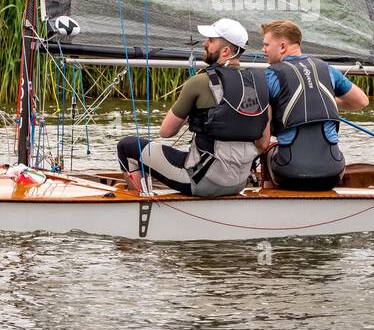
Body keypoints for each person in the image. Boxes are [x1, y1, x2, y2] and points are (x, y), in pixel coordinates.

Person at [116, 18, 270, 196]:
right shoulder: (259, 84)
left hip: (201, 182)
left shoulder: (200, 81)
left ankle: (136, 200)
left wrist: (193, 115)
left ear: (226, 51)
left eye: (211, 41)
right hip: (239, 183)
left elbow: (166, 132)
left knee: (127, 146)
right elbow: (263, 143)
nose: (205, 43)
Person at [259, 19, 369, 191]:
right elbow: (361, 101)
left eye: (266, 45)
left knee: (266, 151)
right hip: (333, 172)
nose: (263, 50)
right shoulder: (327, 69)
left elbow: (263, 142)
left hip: (289, 173)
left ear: (282, 46)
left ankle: (266, 199)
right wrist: (323, 103)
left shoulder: (269, 75)